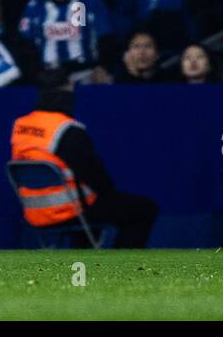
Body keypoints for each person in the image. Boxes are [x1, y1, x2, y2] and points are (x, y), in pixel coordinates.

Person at [10, 68, 159, 248]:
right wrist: (110, 195)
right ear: (67, 89)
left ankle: (84, 262)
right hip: (70, 210)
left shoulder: (20, 126)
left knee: (93, 205)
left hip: (34, 213)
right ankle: (119, 271)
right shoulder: (66, 129)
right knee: (144, 209)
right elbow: (96, 176)